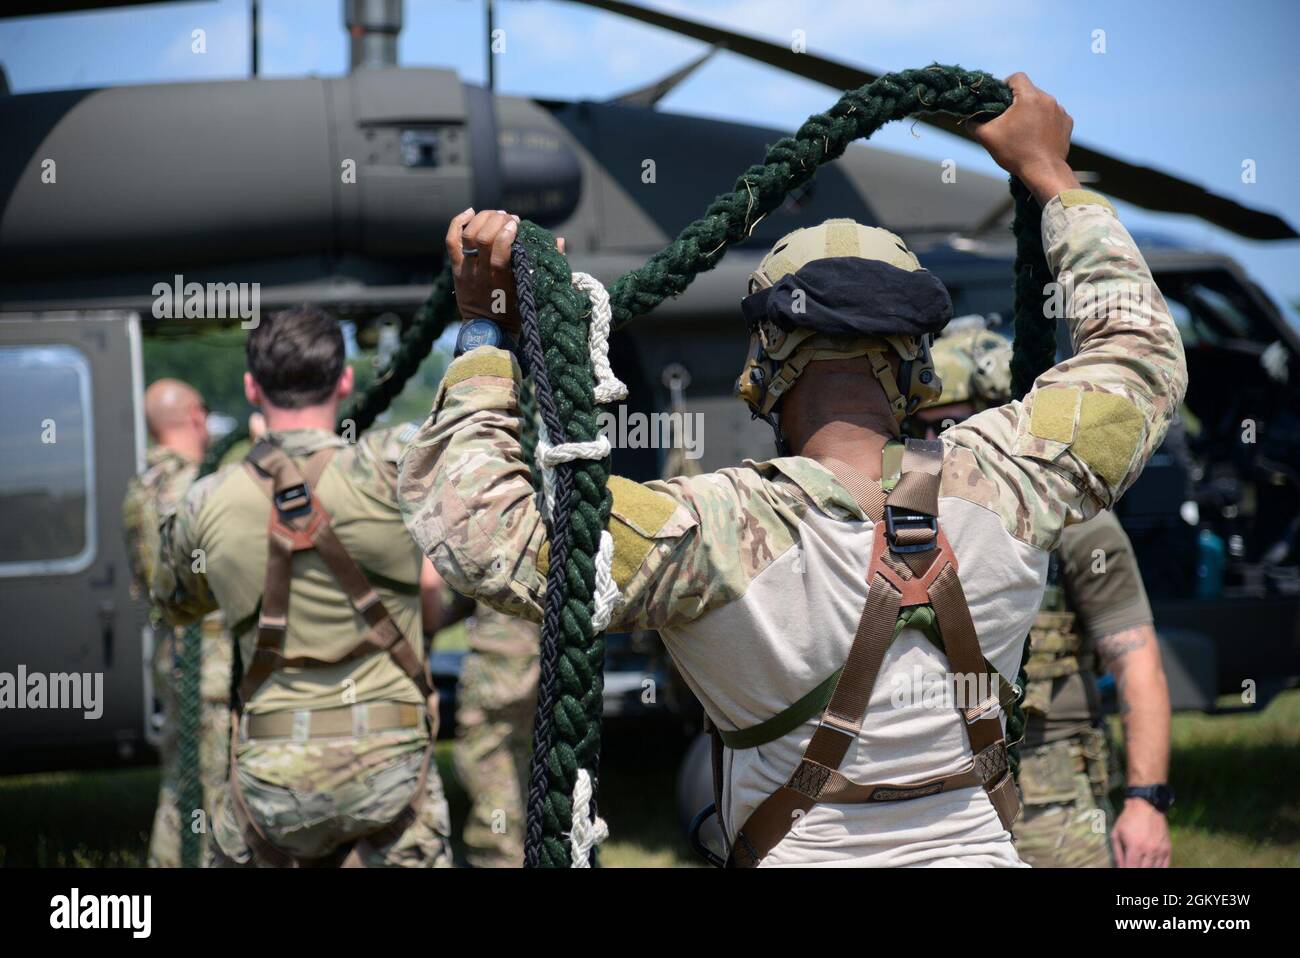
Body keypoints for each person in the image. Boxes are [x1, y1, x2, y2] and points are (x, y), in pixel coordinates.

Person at [398, 73, 1187, 866]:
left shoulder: (709, 531)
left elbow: (484, 533)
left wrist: (484, 334)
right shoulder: (1017, 479)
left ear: (764, 368)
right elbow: (1140, 356)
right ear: (917, 369)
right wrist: (1052, 175)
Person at [152, 305, 452, 867]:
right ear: (344, 380)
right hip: (390, 769)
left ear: (250, 387)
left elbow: (175, 605)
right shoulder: (392, 469)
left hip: (272, 782)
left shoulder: (206, 500)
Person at [917, 325, 1174, 867]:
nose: (948, 443)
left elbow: (1137, 664)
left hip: (1052, 788)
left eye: (962, 423)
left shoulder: (1075, 527)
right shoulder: (899, 522)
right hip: (934, 788)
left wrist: (1146, 802)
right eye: (930, 427)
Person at [122, 378, 232, 867]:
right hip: (211, 664)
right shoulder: (199, 485)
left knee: (180, 786)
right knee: (217, 794)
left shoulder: (140, 487)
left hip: (173, 658)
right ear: (194, 415)